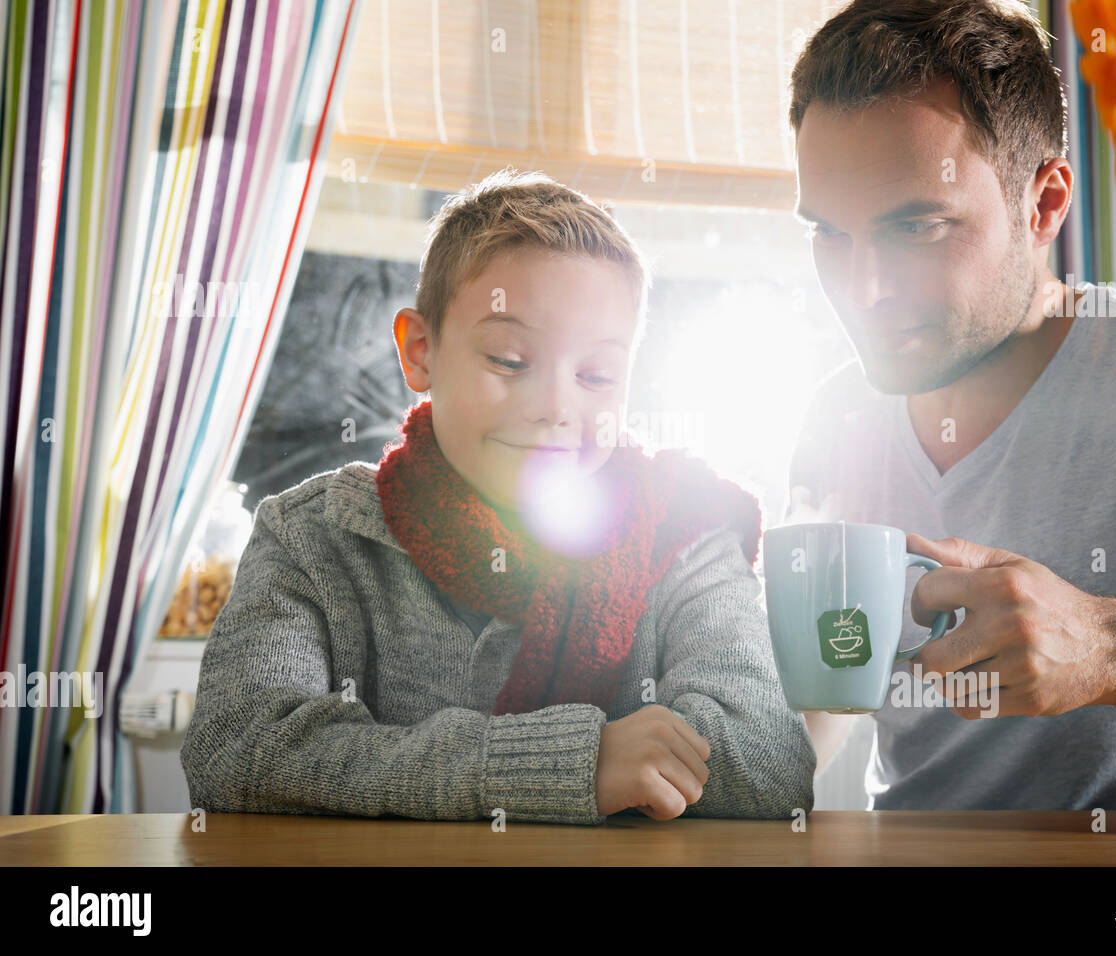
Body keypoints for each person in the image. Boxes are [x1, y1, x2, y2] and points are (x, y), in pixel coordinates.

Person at [180, 169, 816, 824]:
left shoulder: (688, 532)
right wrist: (575, 764)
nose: (555, 407)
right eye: (510, 360)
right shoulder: (312, 536)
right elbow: (235, 751)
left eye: (596, 373)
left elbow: (768, 766)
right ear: (420, 351)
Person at [786, 0, 1116, 810]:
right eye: (829, 235)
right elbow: (825, 700)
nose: (865, 292)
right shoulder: (834, 417)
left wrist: (1114, 648)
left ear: (1046, 204)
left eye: (916, 226)